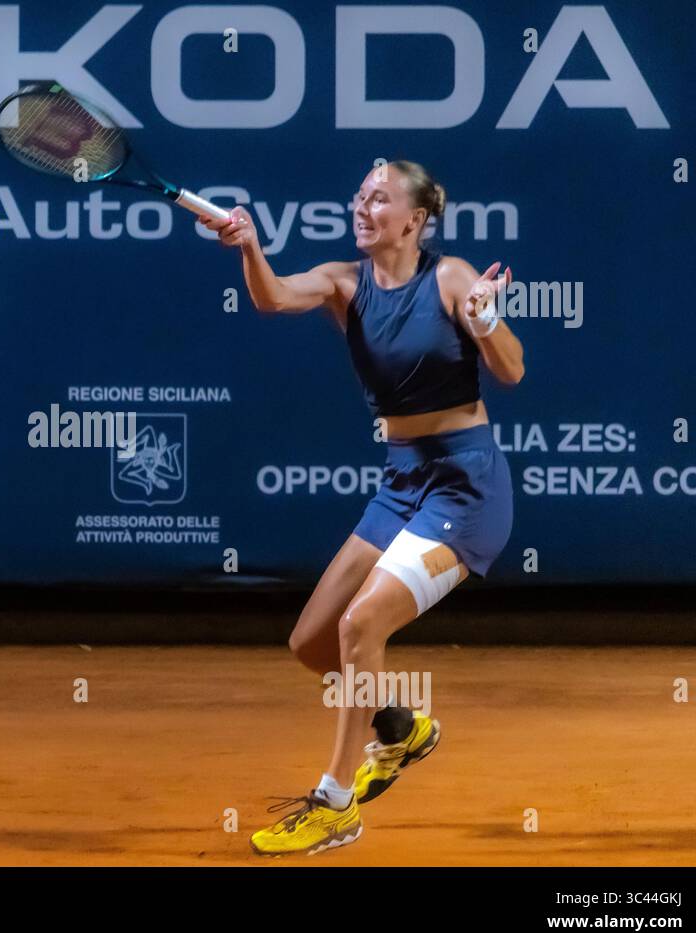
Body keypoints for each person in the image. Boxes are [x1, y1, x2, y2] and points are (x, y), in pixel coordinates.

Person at [202, 160, 523, 855]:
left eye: (380, 198)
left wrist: (487, 320)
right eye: (359, 195)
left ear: (413, 220)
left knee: (360, 624)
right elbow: (274, 298)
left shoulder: (451, 278)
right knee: (312, 643)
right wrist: (251, 248)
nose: (362, 206)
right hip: (401, 481)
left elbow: (510, 369)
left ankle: (336, 803)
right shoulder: (343, 283)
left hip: (465, 488)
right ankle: (402, 730)